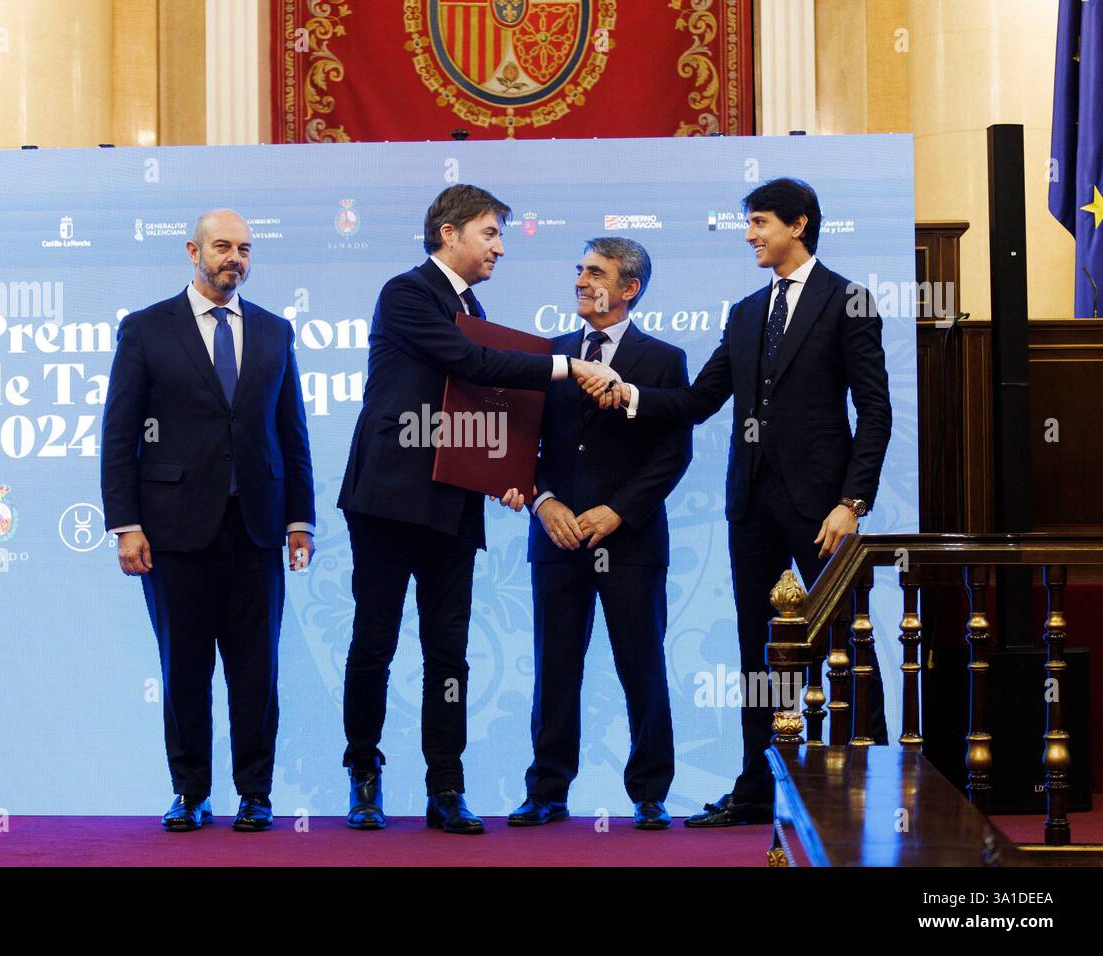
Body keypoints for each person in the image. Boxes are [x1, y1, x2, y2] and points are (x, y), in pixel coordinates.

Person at [585, 178, 892, 827]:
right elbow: (700, 400)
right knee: (759, 651)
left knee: (846, 644)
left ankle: (874, 778)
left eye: (759, 222)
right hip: (751, 504)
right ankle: (760, 785)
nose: (750, 235)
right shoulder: (747, 311)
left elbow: (875, 409)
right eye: (748, 224)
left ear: (798, 224)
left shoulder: (851, 300)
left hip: (823, 510)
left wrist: (852, 501)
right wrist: (631, 395)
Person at [336, 184, 618, 834]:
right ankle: (364, 780)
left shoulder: (474, 306)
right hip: (387, 497)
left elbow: (482, 407)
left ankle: (446, 790)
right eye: (489, 233)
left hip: (453, 501)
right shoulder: (406, 293)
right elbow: (468, 361)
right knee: (373, 644)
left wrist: (509, 476)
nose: (498, 247)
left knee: (450, 654)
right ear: (448, 234)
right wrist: (567, 366)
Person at [101, 209, 316, 833]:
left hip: (257, 529)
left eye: (245, 249)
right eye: (223, 246)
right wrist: (126, 524)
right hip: (171, 532)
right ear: (193, 250)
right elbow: (119, 436)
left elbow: (291, 432)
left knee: (258, 673)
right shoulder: (145, 330)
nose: (235, 258)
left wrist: (300, 518)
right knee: (184, 669)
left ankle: (255, 794)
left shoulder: (276, 332)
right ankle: (190, 792)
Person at [501, 237, 691, 830]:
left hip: (630, 542)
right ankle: (547, 791)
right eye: (578, 268)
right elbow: (517, 447)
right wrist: (544, 500)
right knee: (555, 668)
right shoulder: (548, 358)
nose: (580, 279)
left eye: (595, 271)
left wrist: (618, 512)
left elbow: (673, 452)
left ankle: (650, 793)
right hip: (555, 538)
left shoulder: (663, 360)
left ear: (628, 287)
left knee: (642, 665)